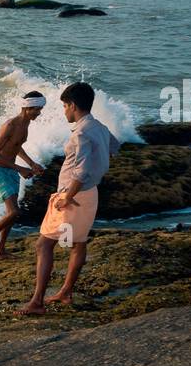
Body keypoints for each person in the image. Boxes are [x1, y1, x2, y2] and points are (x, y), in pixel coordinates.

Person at [16, 82, 120, 315]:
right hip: (91, 193)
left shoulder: (81, 133)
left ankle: (37, 303)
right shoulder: (99, 127)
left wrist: (66, 197)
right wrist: (98, 166)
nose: (64, 111)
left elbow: (80, 172)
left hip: (72, 196)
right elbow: (114, 147)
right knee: (78, 243)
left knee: (43, 245)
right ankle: (66, 291)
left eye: (64, 106)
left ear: (73, 105)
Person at [0, 91, 47, 259]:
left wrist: (32, 164)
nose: (39, 113)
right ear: (27, 107)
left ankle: (2, 249)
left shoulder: (25, 124)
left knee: (13, 214)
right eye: (37, 109)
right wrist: (20, 168)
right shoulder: (10, 125)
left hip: (11, 170)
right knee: (13, 212)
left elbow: (16, 146)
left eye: (40, 109)